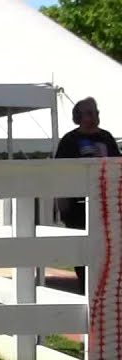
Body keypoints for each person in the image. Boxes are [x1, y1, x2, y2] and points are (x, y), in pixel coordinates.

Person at [55, 97, 120, 289]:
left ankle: (106, 286)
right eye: (90, 113)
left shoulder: (106, 138)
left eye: (96, 112)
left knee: (107, 246)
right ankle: (85, 285)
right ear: (78, 117)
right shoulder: (69, 140)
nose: (95, 117)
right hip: (77, 206)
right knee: (82, 247)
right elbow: (59, 172)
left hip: (105, 202)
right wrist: (62, 201)